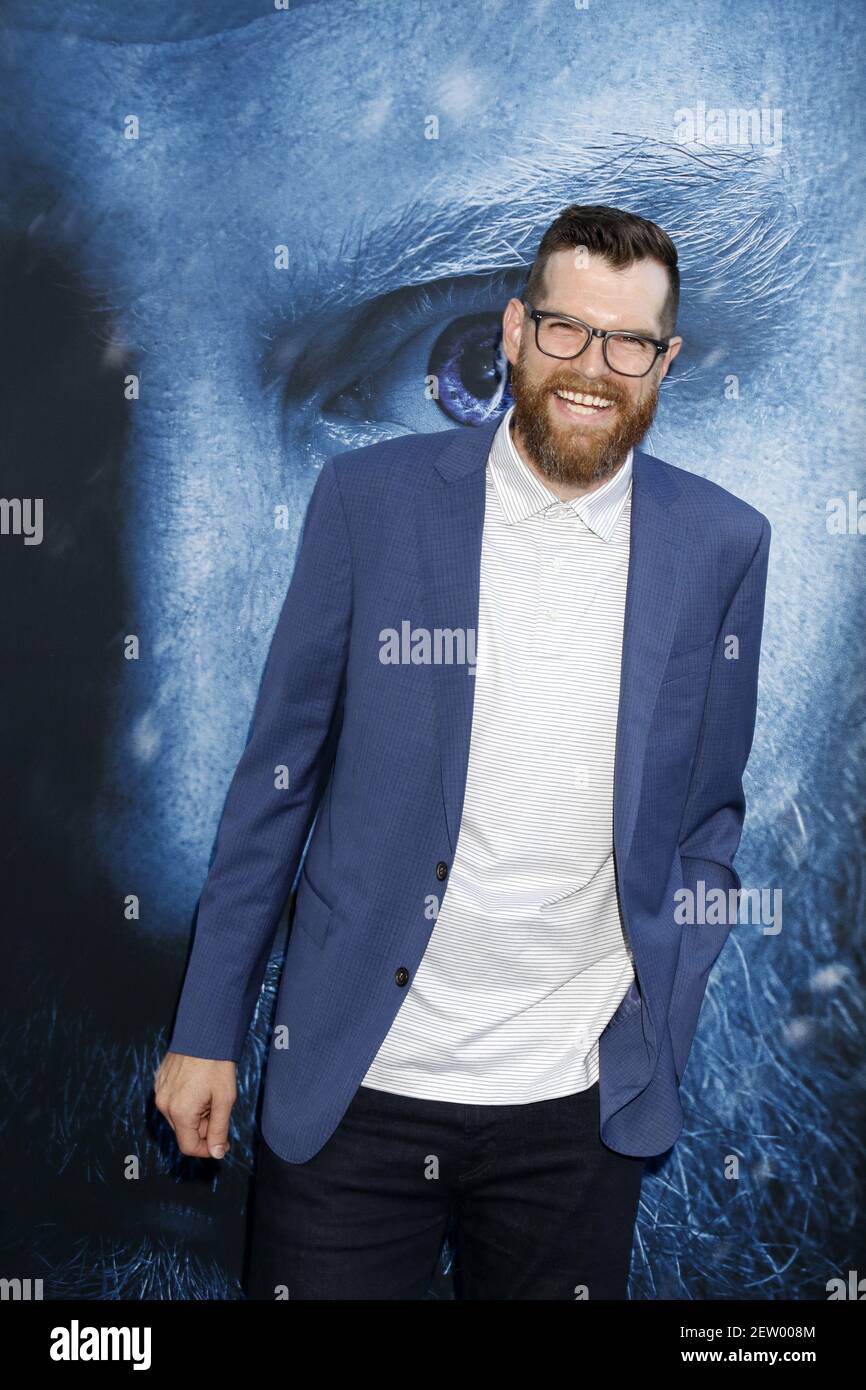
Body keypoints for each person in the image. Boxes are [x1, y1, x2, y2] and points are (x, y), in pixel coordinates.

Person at [155, 204, 771, 1300]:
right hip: (356, 1094)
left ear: (664, 361)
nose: (592, 367)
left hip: (573, 1119)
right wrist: (207, 1027)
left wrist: (658, 1020)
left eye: (628, 341)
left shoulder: (722, 544)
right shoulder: (370, 504)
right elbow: (275, 786)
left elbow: (706, 821)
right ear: (511, 330)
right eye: (564, 329)